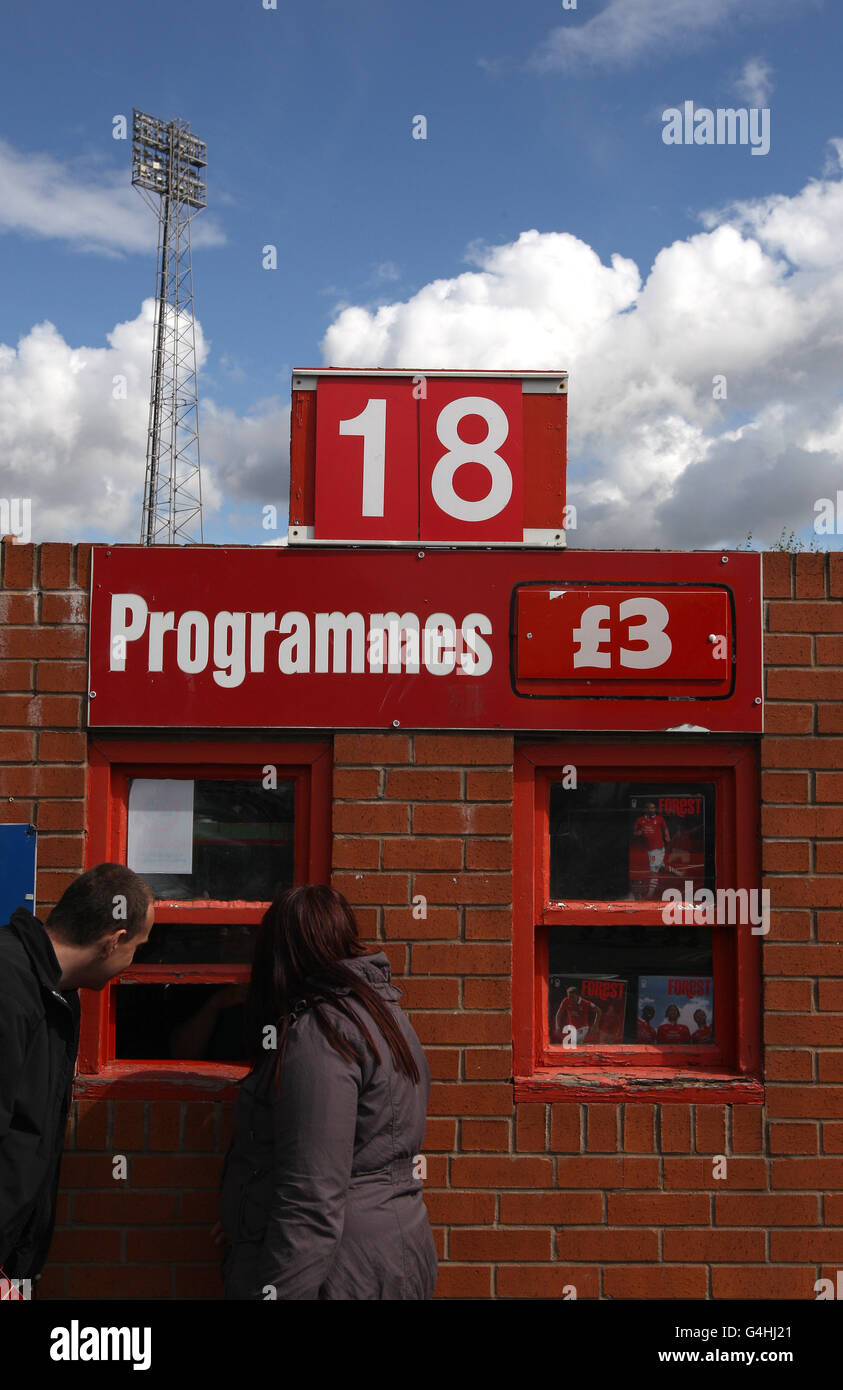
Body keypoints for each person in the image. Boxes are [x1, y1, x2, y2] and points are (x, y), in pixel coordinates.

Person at [217, 883, 438, 1300]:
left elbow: (311, 1200)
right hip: (395, 1246)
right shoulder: (384, 1013)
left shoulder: (320, 1034)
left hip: (339, 1269)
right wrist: (247, 1204)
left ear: (278, 954)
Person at [0, 863, 154, 1288]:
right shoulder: (11, 987)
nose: (134, 959)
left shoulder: (55, 989)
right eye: (137, 946)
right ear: (113, 942)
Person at [632, 800, 672, 899]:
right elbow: (634, 832)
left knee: (654, 871)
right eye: (650, 808)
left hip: (657, 849)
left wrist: (667, 836)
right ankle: (679, 873)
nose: (653, 810)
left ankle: (650, 894)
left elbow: (665, 828)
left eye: (654, 808)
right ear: (646, 809)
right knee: (661, 867)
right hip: (648, 849)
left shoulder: (659, 819)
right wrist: (639, 833)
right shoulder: (640, 820)